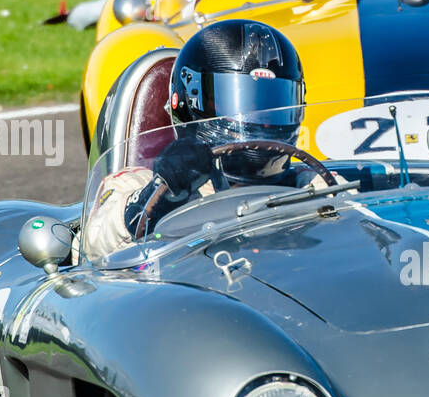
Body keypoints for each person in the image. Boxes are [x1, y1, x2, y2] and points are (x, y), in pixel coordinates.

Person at [83, 19, 309, 259]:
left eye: (272, 104)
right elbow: (95, 243)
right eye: (243, 103)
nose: (260, 122)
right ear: (189, 102)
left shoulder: (309, 181)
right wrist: (162, 193)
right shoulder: (135, 184)